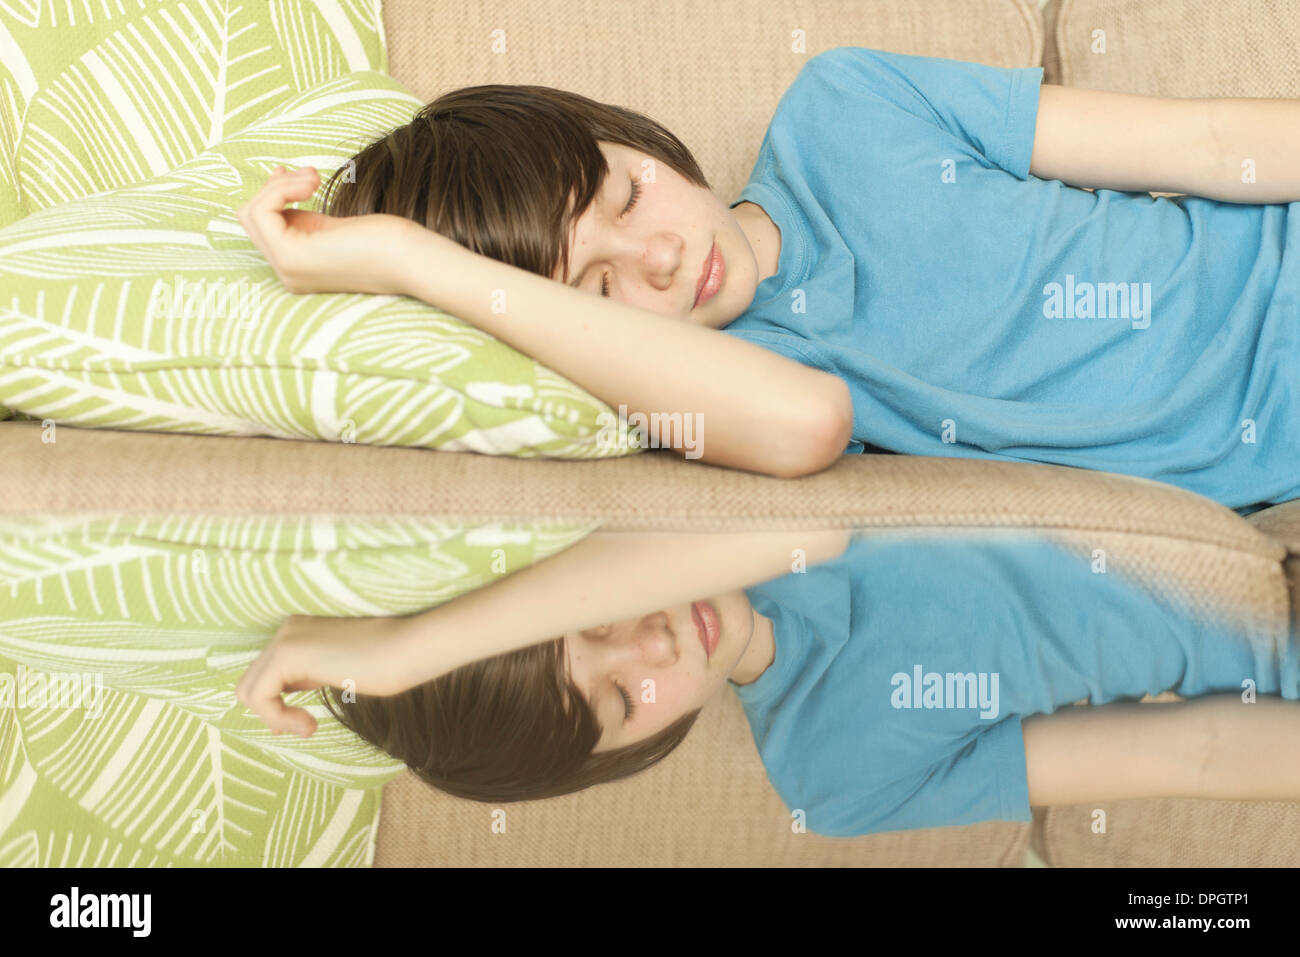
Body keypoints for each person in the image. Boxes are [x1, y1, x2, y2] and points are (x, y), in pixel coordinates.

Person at [237, 47, 1300, 514]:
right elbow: (806, 425)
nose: (658, 258)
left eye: (623, 197)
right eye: (598, 293)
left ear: (627, 136)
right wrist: (413, 262)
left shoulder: (848, 104)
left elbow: (1208, 144)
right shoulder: (726, 375)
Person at [236, 526, 1300, 836]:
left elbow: (805, 523)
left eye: (583, 622)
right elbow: (1189, 748)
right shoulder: (834, 782)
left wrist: (399, 653)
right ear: (621, 758)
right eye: (616, 703)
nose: (648, 644)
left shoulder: (738, 495)